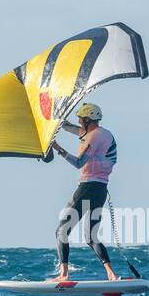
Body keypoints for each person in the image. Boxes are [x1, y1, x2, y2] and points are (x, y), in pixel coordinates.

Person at [49, 102, 120, 281]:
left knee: (62, 230)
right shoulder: (103, 133)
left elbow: (79, 163)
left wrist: (57, 148)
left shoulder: (93, 137)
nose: (79, 122)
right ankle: (111, 274)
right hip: (101, 190)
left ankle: (63, 274)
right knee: (91, 236)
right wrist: (54, 116)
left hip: (87, 188)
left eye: (81, 119)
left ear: (88, 120)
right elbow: (70, 128)